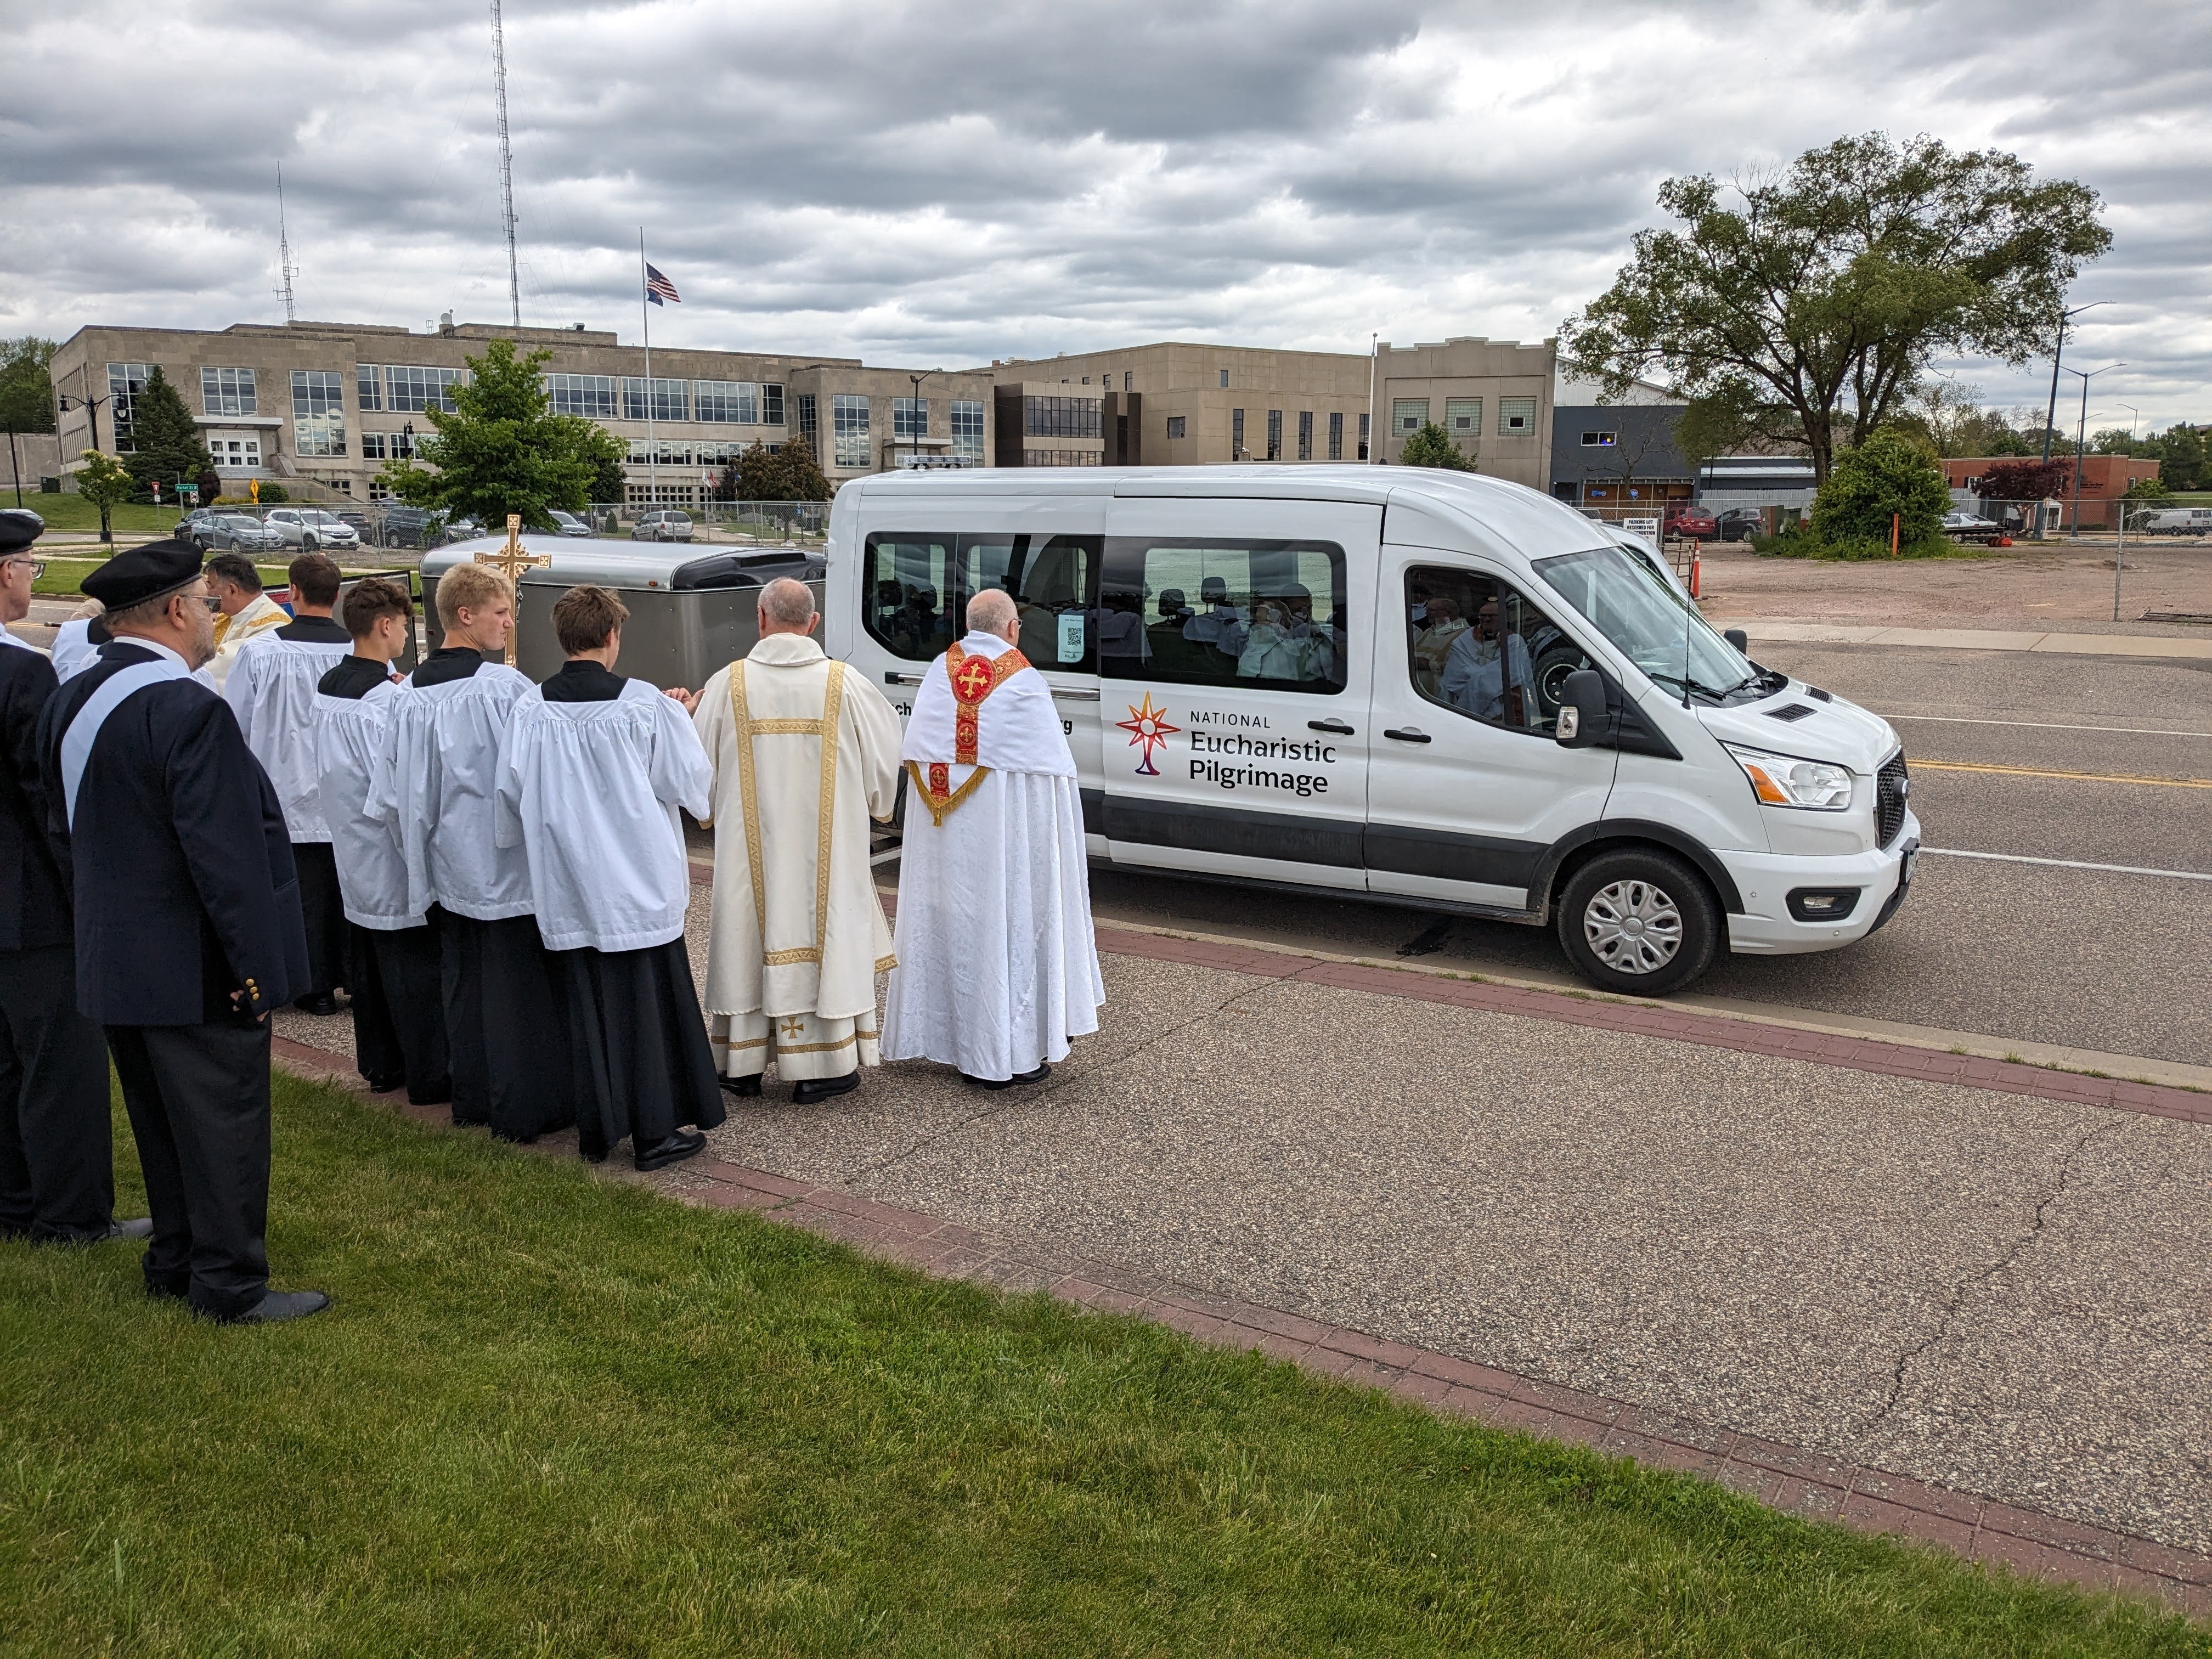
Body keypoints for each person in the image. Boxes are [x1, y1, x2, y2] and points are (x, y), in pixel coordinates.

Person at [34, 540, 324, 1323]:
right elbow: (224, 856)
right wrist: (258, 974)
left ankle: (175, 1257)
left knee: (162, 1124)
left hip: (117, 953)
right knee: (222, 1125)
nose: (209, 616)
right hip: (195, 959)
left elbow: (59, 828)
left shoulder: (73, 693)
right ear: (173, 611)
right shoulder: (185, 706)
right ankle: (228, 1283)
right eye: (203, 603)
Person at [496, 586, 723, 1169]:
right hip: (636, 883)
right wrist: (685, 719)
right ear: (613, 636)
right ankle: (654, 1133)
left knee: (589, 1007)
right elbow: (689, 788)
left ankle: (597, 1131)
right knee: (647, 1012)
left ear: (563, 637)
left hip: (569, 884)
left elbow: (510, 798)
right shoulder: (646, 705)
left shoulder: (531, 708)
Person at [374, 563, 572, 1141]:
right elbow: (537, 773)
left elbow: (391, 795)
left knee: (463, 987)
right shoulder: (502, 689)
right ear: (466, 615)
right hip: (505, 868)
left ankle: (475, 1099)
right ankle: (525, 1107)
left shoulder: (407, 695)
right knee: (517, 992)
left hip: (446, 868)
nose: (510, 623)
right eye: (502, 613)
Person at [690, 577, 901, 1104]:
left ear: (760, 620)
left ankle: (741, 1064)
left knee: (749, 935)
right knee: (824, 932)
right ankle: (823, 1068)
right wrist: (874, 804)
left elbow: (698, 777)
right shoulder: (846, 684)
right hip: (827, 861)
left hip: (748, 860)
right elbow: (884, 772)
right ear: (814, 623)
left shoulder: (727, 685)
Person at [882, 587, 1103, 1088]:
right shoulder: (1023, 681)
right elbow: (1052, 779)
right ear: (1011, 628)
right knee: (1008, 928)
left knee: (956, 932)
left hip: (950, 838)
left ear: (968, 625)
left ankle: (951, 1043)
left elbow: (924, 750)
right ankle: (1007, 1052)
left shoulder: (940, 671)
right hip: (1004, 840)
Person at [0, 511, 144, 1245]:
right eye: (27, 564)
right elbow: (42, 799)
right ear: (4, 573)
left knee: (6, 1063)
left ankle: (16, 1200)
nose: (32, 576)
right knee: (59, 1067)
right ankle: (71, 1213)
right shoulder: (19, 671)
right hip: (29, 902)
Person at [314, 576, 451, 1105]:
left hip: (350, 843)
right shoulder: (382, 700)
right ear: (386, 625)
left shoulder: (331, 684)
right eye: (404, 627)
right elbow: (394, 783)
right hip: (388, 847)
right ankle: (428, 1072)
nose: (406, 638)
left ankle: (380, 1063)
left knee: (370, 960)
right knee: (410, 966)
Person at [224, 554, 353, 1015]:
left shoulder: (260, 653)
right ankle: (353, 974)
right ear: (336, 597)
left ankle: (313, 985)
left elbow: (235, 723)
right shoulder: (359, 654)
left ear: (292, 593)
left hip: (283, 792)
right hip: (345, 795)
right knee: (345, 889)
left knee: (303, 897)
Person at [1442, 594, 1535, 724]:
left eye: (1492, 616)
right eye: (1483, 616)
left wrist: (1478, 677)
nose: (1487, 619)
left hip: (1504, 703)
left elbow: (1513, 671)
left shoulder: (1514, 641)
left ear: (1503, 618)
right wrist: (1483, 676)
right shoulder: (1465, 639)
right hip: (1464, 695)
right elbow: (1457, 669)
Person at [204, 552, 288, 693]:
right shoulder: (228, 616)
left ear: (232, 590)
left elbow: (215, 672)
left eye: (211, 586)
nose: (208, 593)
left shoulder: (273, 628)